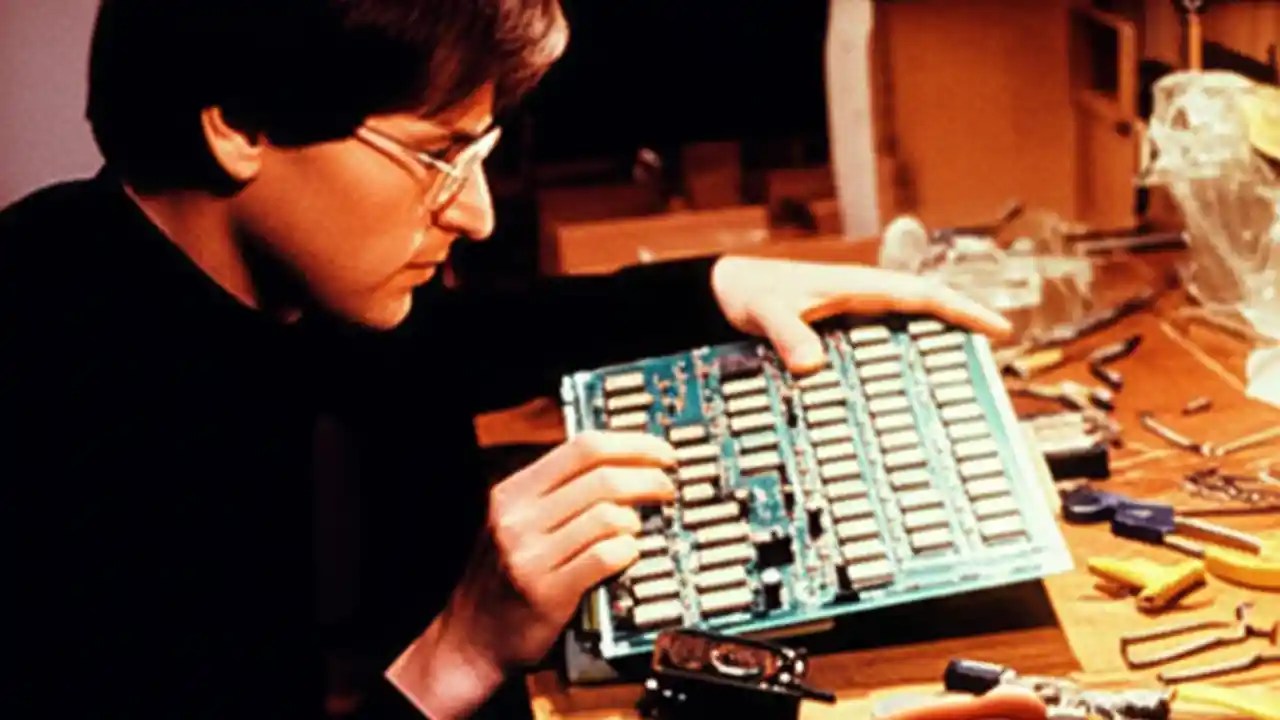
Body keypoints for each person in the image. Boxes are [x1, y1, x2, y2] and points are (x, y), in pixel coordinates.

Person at [0, 1, 1010, 718]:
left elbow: (439, 348)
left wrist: (714, 286)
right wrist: (460, 652)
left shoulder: (157, 261)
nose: (476, 215)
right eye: (439, 155)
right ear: (239, 122)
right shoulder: (65, 426)